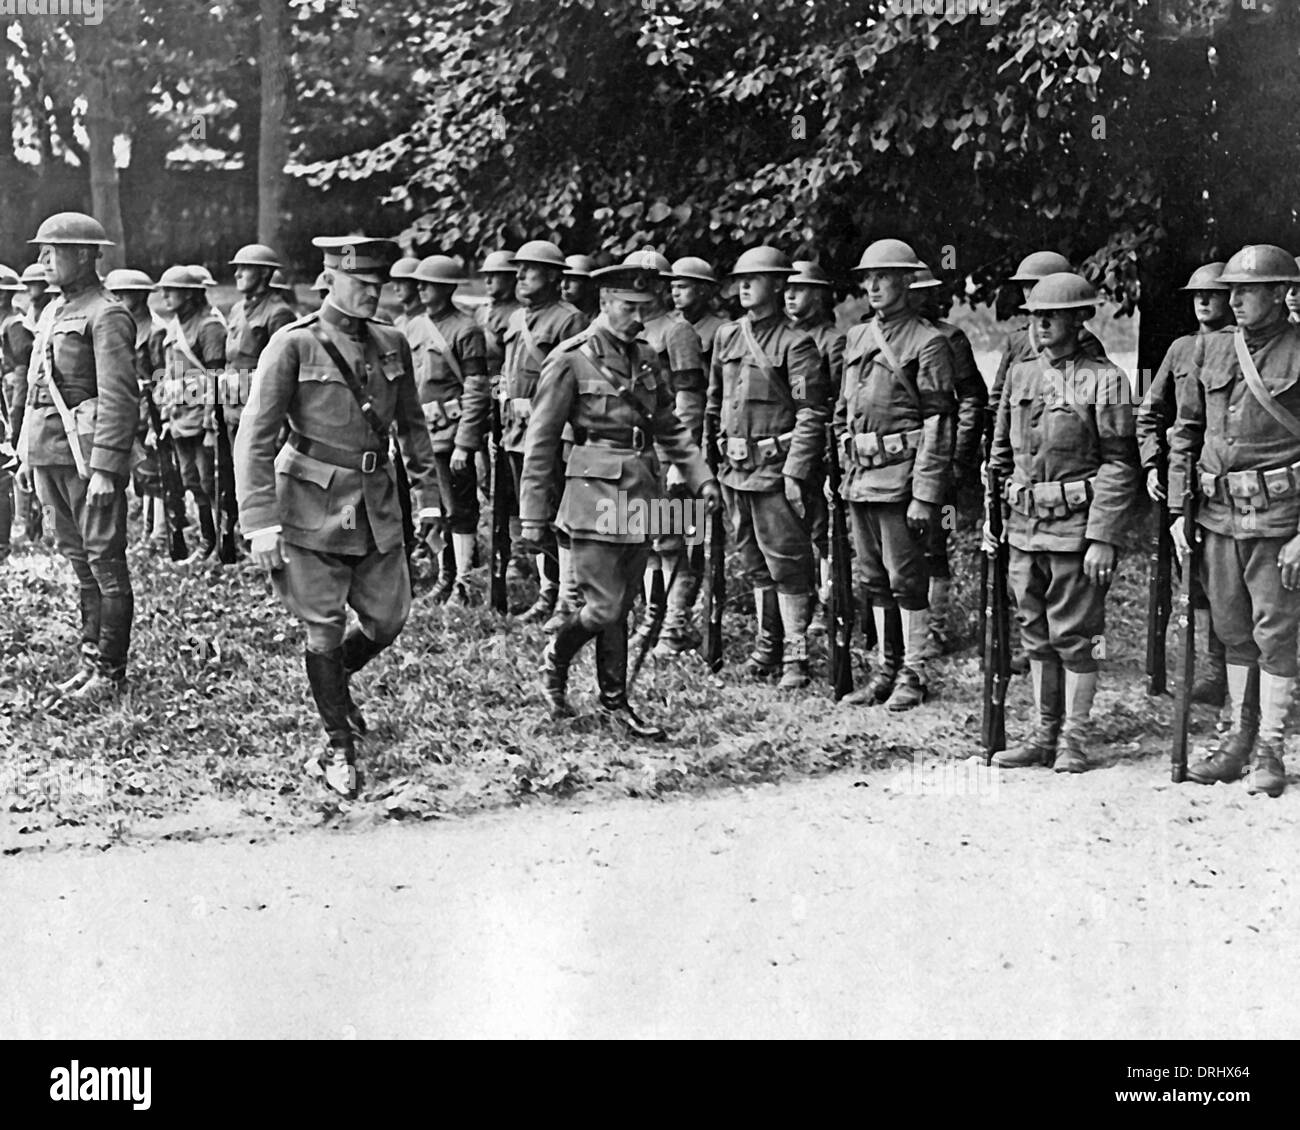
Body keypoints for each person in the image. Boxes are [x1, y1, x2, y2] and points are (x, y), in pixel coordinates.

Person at [234, 236, 440, 799]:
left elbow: (413, 427)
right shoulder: (293, 344)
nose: (372, 295)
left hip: (376, 504)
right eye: (360, 285)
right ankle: (337, 744)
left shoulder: (392, 342)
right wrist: (260, 522)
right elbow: (254, 436)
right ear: (330, 281)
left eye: (379, 286)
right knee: (321, 624)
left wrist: (428, 496)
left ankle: (334, 681)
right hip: (309, 506)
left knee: (388, 619)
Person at [520, 264, 720, 738]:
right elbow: (541, 440)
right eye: (629, 307)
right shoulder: (571, 359)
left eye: (644, 308)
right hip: (592, 493)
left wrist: (701, 479)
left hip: (641, 490)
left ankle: (615, 702)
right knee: (605, 606)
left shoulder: (647, 356)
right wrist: (533, 515)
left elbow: (670, 426)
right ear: (605, 302)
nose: (637, 317)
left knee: (624, 601)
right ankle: (556, 658)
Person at [988, 272, 1139, 772]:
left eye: (1053, 316)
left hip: (1076, 530)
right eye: (1035, 316)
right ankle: (1042, 733)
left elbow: (1120, 463)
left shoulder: (1107, 379)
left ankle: (1073, 736)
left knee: (1076, 633)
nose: (1042, 325)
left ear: (1080, 320)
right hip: (1024, 529)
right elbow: (1002, 454)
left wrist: (1103, 537)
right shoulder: (1020, 375)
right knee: (1034, 632)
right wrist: (995, 515)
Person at [1169, 244, 1300, 798]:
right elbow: (1185, 431)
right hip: (1218, 515)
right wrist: (1179, 509)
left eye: (1248, 290)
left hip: (1279, 518)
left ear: (1279, 294)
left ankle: (1271, 747)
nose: (1236, 299)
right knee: (1231, 629)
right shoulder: (1213, 350)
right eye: (1232, 290)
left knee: (1277, 632)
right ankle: (1237, 740)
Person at [16, 212, 138, 699]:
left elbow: (119, 396)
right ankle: (91, 662)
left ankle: (111, 672)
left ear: (86, 255)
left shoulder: (106, 314)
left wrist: (108, 469)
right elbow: (35, 389)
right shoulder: (50, 313)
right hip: (51, 454)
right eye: (41, 250)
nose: (43, 259)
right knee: (80, 562)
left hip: (88, 461)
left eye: (54, 250)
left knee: (105, 561)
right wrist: (28, 454)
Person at [833, 240, 956, 710]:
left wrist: (925, 494)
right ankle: (885, 669)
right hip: (860, 478)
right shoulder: (858, 337)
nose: (874, 286)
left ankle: (914, 672)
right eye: (868, 278)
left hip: (901, 479)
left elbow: (938, 422)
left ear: (908, 281)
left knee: (907, 578)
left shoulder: (929, 342)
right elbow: (845, 410)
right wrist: (841, 470)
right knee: (873, 579)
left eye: (884, 277)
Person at [706, 245, 826, 688]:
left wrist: (796, 472)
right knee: (754, 562)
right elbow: (713, 403)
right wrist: (706, 465)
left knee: (787, 562)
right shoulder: (726, 337)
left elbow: (809, 411)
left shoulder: (796, 345)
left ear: (777, 285)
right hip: (734, 470)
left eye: (753, 280)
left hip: (774, 471)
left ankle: (796, 654)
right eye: (740, 279)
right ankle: (766, 645)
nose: (743, 286)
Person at [1137, 262, 1234, 707]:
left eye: (1212, 293)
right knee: (1191, 577)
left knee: (1232, 576)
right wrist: (1151, 465)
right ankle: (1210, 671)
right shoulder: (1179, 349)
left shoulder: (1242, 348)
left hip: (1227, 478)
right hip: (1181, 479)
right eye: (1197, 294)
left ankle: (1236, 667)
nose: (1203, 300)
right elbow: (1151, 412)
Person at [616, 249, 707, 655]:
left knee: (672, 540)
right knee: (644, 539)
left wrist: (678, 460)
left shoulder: (676, 331)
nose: (642, 289)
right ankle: (651, 619)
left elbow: (689, 398)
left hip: (666, 453)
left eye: (649, 282)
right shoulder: (627, 331)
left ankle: (675, 624)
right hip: (636, 452)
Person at [501, 240, 589, 621]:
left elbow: (577, 381)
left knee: (556, 516)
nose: (519, 276)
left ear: (554, 277)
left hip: (550, 434)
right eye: (519, 269)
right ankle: (546, 593)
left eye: (530, 269)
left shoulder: (569, 320)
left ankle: (568, 598)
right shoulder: (516, 319)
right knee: (530, 515)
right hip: (516, 431)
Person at [909, 263, 988, 655]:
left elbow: (972, 397)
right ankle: (902, 630)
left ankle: (935, 628)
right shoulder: (878, 335)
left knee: (936, 542)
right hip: (895, 462)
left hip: (941, 463)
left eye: (922, 292)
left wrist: (957, 458)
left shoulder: (949, 338)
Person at [406, 254, 490, 603]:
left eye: (428, 283)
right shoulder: (412, 327)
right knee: (431, 507)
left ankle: (464, 583)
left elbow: (477, 387)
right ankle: (445, 575)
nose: (421, 288)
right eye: (420, 283)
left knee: (460, 509)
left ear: (445, 287)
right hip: (421, 433)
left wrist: (464, 443)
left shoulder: (466, 329)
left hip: (451, 433)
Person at [784, 260, 845, 634]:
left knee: (823, 529)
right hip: (790, 443)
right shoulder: (784, 339)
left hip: (819, 447)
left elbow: (838, 398)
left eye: (801, 289)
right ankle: (799, 599)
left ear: (819, 295)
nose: (790, 295)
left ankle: (829, 601)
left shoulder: (832, 340)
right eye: (787, 289)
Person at [158, 264, 226, 558]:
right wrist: (164, 414)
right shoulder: (174, 326)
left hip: (202, 418)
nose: (165, 296)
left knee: (210, 482)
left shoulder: (209, 326)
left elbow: (216, 378)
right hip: (178, 416)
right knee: (191, 481)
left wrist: (211, 425)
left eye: (171, 291)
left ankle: (221, 543)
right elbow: (168, 373)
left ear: (189, 294)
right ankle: (205, 540)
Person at [104, 268, 168, 545]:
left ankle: (159, 530)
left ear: (141, 296)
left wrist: (160, 418)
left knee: (154, 471)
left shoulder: (155, 330)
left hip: (149, 409)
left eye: (123, 294)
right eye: (114, 294)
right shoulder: (119, 326)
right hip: (124, 408)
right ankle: (145, 527)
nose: (118, 299)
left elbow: (162, 376)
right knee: (133, 474)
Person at [225, 243, 296, 448]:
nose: (237, 274)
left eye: (245, 268)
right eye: (237, 268)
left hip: (261, 411)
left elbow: (284, 371)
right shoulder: (237, 309)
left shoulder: (278, 312)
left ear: (264, 272)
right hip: (233, 406)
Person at [666, 256, 729, 368]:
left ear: (702, 290)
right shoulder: (667, 324)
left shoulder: (722, 329)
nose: (675, 293)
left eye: (682, 286)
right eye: (672, 287)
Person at [388, 257, 422, 334]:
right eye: (395, 282)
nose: (396, 288)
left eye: (401, 282)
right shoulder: (398, 322)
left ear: (417, 283)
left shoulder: (430, 321)